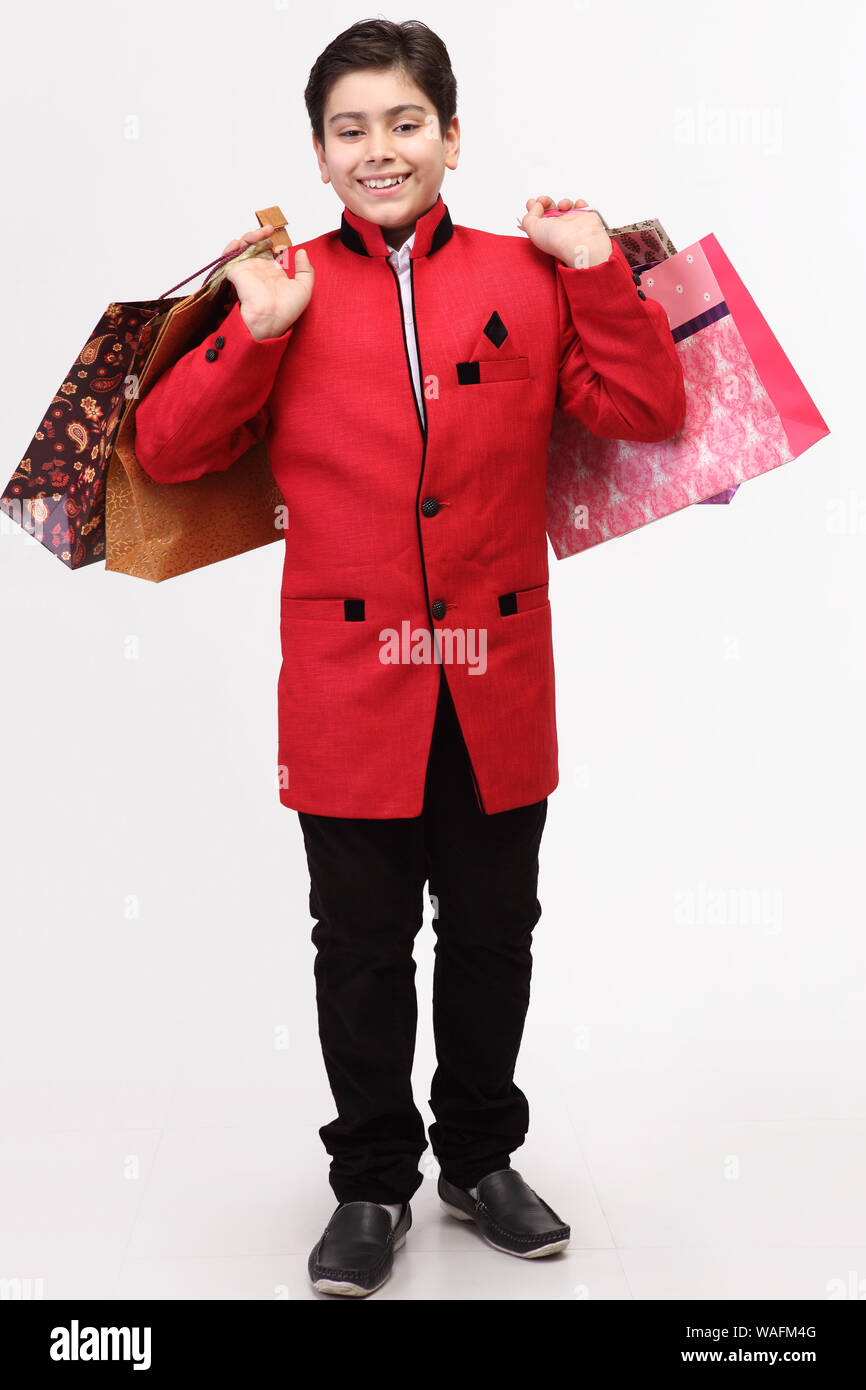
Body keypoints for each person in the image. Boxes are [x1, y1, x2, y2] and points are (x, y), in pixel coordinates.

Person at [134, 18, 685, 1298]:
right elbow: (165, 452)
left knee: (495, 931)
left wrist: (596, 264)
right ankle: (372, 1180)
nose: (379, 149)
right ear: (320, 157)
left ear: (450, 137)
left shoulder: (528, 272)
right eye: (349, 129)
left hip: (499, 670)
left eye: (403, 122)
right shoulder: (281, 288)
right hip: (346, 681)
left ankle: (481, 1158)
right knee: (362, 943)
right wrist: (252, 330)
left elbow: (649, 408)